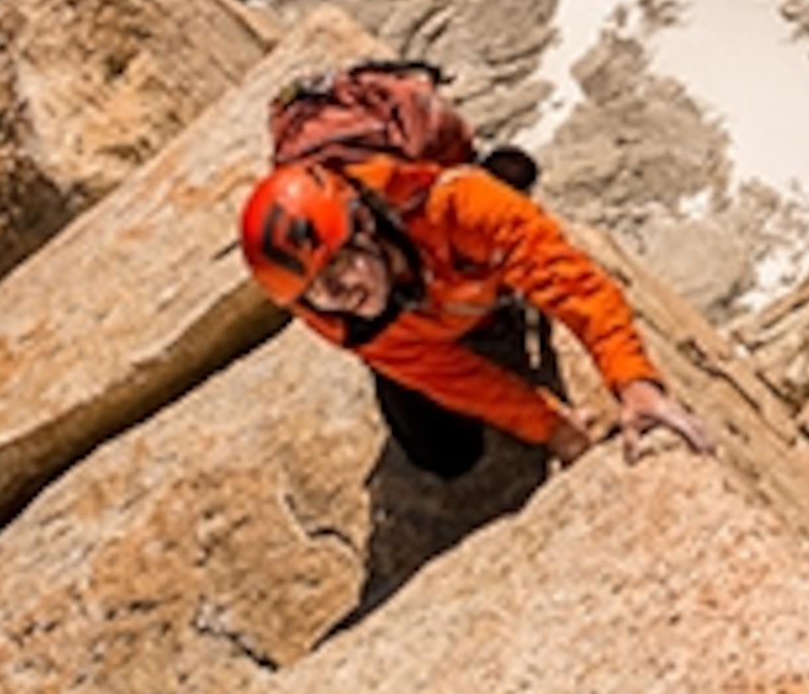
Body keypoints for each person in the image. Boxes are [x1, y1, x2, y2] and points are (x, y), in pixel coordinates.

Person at [239, 151, 714, 476]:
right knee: (443, 454)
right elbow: (449, 376)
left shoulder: (456, 207)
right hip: (437, 318)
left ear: (365, 225)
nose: (339, 291)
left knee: (512, 250)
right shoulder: (340, 317)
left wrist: (635, 382)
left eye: (339, 264)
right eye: (315, 288)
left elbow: (571, 285)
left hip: (467, 272)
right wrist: (552, 427)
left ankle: (502, 192)